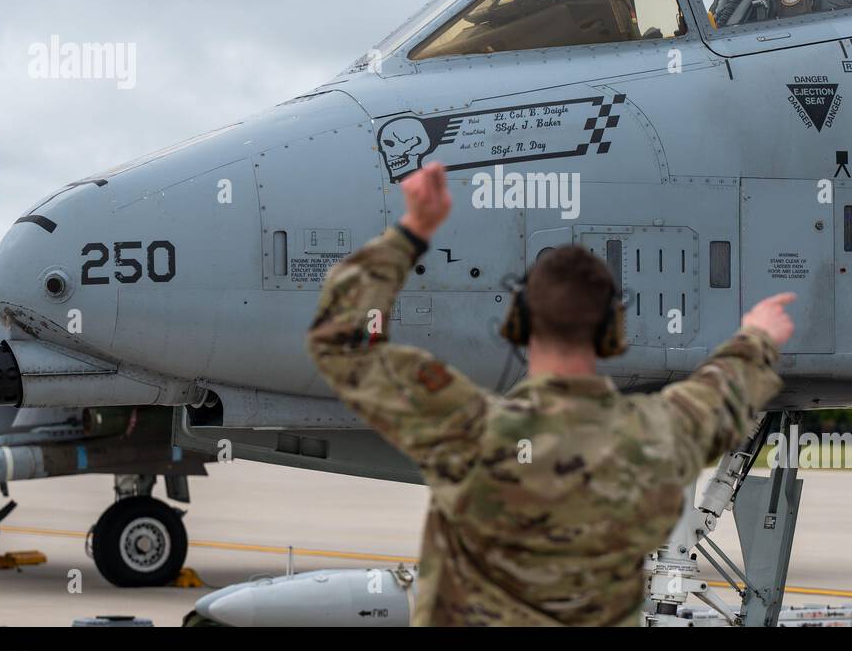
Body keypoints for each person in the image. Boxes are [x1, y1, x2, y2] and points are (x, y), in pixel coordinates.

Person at [307, 161, 795, 626]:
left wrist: (412, 230)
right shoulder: (655, 431)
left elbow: (341, 341)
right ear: (612, 332)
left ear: (518, 326)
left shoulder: (461, 425)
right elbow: (725, 389)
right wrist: (756, 338)